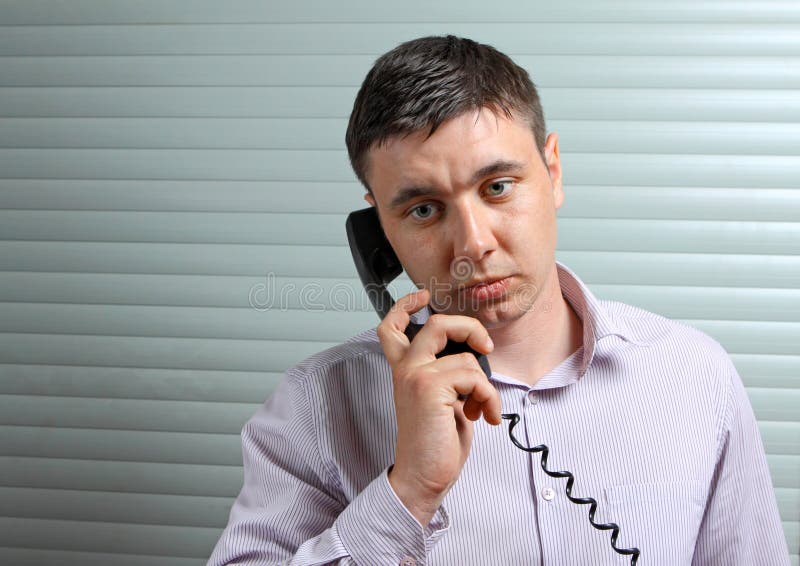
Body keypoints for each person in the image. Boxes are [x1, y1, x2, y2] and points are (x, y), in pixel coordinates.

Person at [208, 36, 789, 565]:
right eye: (423, 209)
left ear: (553, 170)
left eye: (498, 188)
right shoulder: (314, 406)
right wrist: (407, 492)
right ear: (379, 231)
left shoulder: (694, 373)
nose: (474, 244)